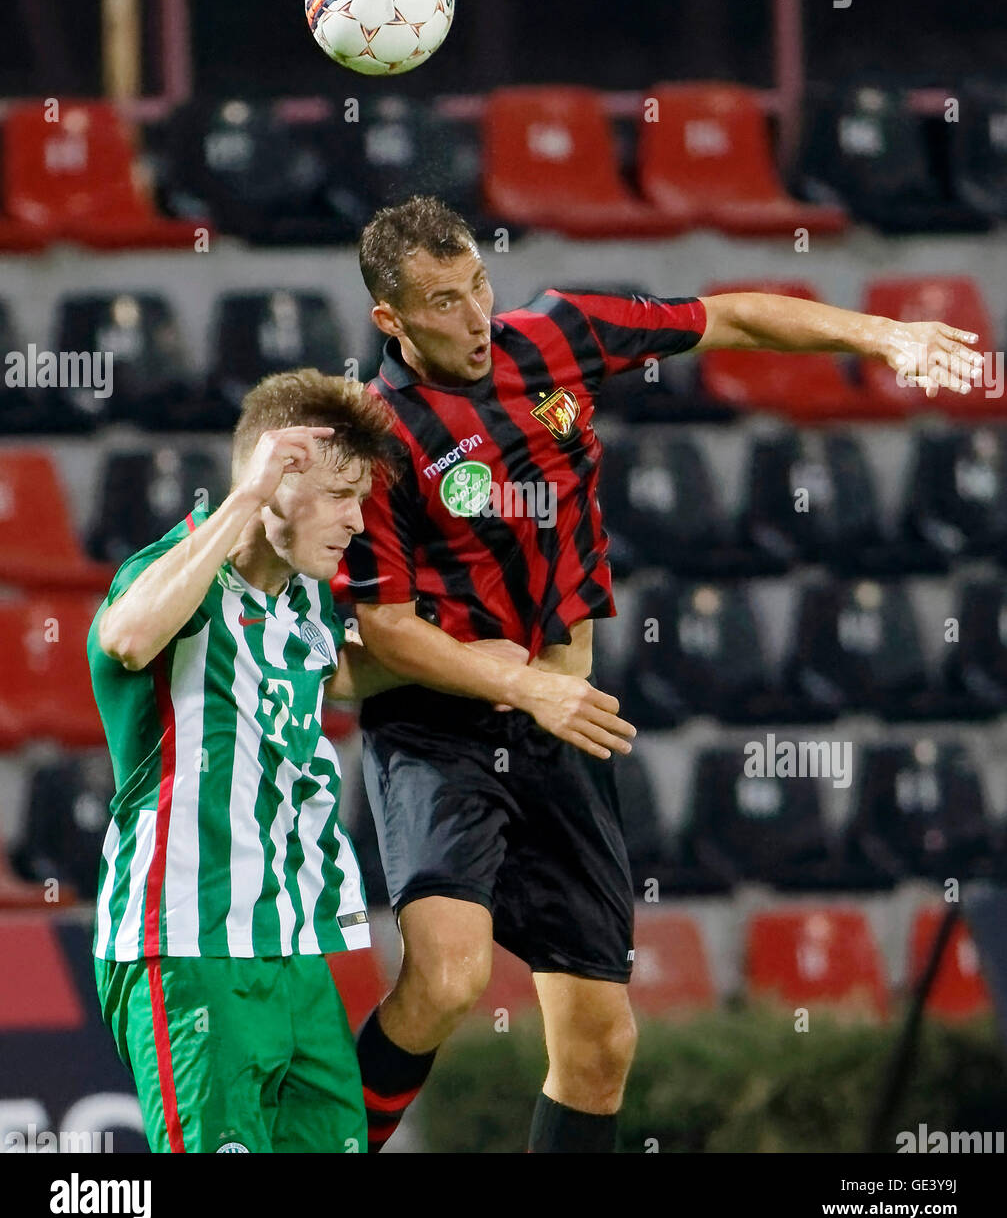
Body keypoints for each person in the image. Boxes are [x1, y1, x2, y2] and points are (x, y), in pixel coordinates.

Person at [336, 195, 984, 1154]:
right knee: (445, 980)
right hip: (441, 732)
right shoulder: (375, 434)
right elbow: (384, 630)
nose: (474, 316)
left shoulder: (555, 335)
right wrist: (518, 682)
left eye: (477, 285)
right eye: (441, 302)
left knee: (599, 1049)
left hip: (565, 728)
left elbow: (726, 316)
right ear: (390, 319)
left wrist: (881, 334)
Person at [89, 368, 515, 1153]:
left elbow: (330, 669)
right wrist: (244, 500)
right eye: (339, 494)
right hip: (188, 943)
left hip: (292, 948)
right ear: (274, 477)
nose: (357, 520)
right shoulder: (175, 570)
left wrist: (464, 661)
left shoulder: (301, 601)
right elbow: (127, 637)